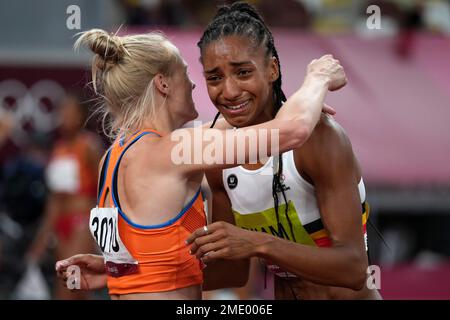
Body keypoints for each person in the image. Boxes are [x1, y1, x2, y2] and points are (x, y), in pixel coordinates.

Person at [55, 26, 346, 300]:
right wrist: (317, 78)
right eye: (185, 72)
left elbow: (152, 255)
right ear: (163, 83)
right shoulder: (173, 151)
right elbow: (293, 131)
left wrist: (113, 269)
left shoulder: (115, 156)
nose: (194, 83)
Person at [186, 2, 382, 300]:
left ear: (272, 69)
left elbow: (354, 268)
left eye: (242, 72)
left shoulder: (319, 138)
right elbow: (232, 270)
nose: (229, 91)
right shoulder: (219, 154)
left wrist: (258, 243)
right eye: (214, 78)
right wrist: (135, 272)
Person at [26, 93, 102, 299]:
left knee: (71, 286)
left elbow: (105, 188)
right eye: (62, 112)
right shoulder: (58, 148)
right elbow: (54, 199)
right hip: (60, 226)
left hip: (81, 223)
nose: (64, 116)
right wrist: (42, 238)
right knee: (72, 287)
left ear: (80, 116)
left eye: (70, 112)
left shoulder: (89, 146)